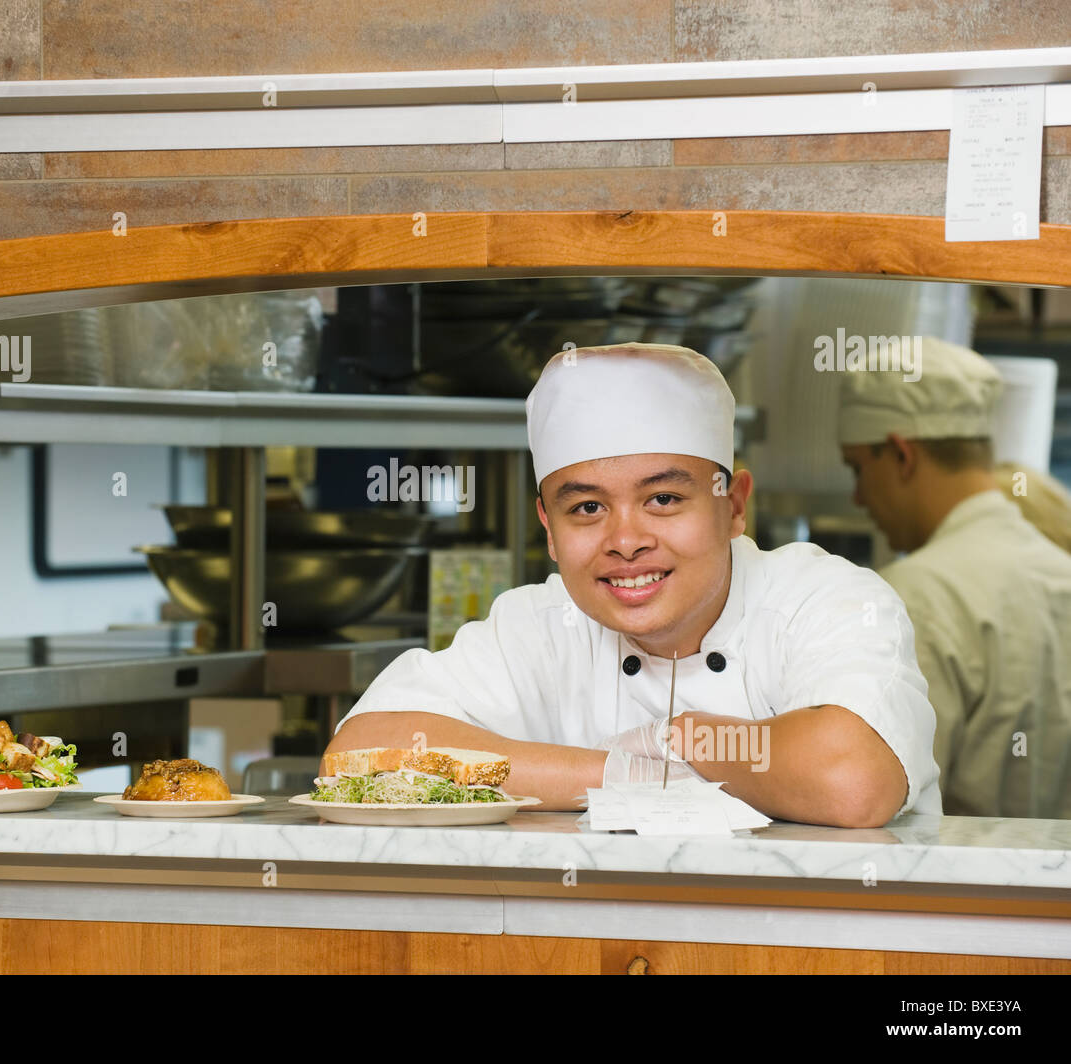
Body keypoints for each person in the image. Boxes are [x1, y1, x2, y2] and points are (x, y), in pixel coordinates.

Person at [325, 342, 941, 827]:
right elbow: (362, 756)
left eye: (664, 498)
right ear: (548, 527)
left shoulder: (822, 599)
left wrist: (682, 738)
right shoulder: (538, 627)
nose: (625, 539)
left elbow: (853, 780)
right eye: (586, 509)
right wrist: (619, 774)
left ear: (733, 506)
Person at [838, 336, 1071, 818]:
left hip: (965, 888)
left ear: (902, 455)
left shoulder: (915, 594)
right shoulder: (1059, 570)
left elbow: (891, 802)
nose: (858, 498)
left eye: (857, 468)